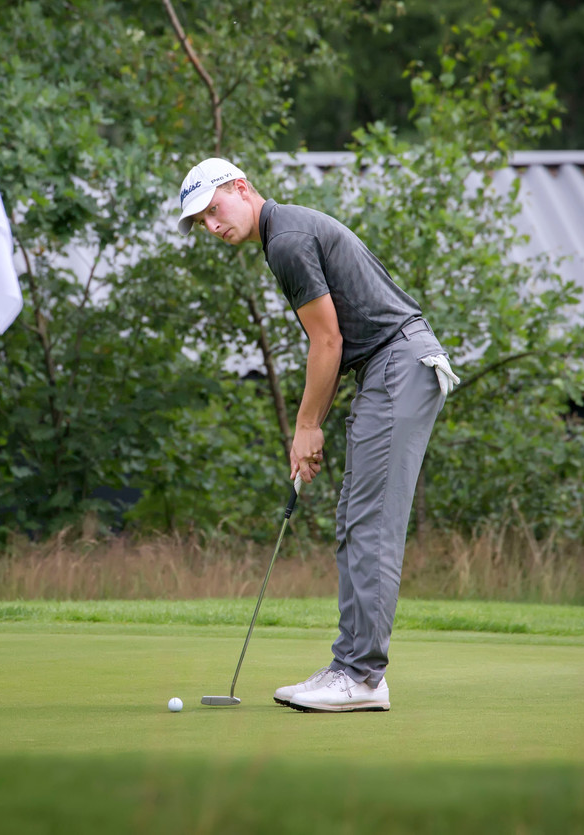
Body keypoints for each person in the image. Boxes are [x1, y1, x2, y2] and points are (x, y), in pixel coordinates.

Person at [177, 157, 459, 712]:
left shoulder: (286, 240)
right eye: (201, 221)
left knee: (369, 522)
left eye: (215, 209)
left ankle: (360, 677)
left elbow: (326, 341)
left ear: (242, 188)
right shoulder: (284, 233)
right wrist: (310, 426)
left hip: (397, 364)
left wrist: (307, 425)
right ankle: (351, 667)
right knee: (356, 518)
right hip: (388, 367)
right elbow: (333, 342)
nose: (212, 225)